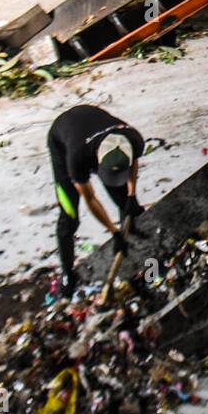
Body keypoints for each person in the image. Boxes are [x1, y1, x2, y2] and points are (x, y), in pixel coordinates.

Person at [47, 105, 146, 296]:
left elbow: (133, 162)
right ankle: (67, 274)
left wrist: (132, 195)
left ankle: (135, 252)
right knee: (69, 216)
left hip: (96, 135)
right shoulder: (77, 158)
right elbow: (90, 198)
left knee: (125, 203)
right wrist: (113, 230)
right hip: (64, 141)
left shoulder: (133, 139)